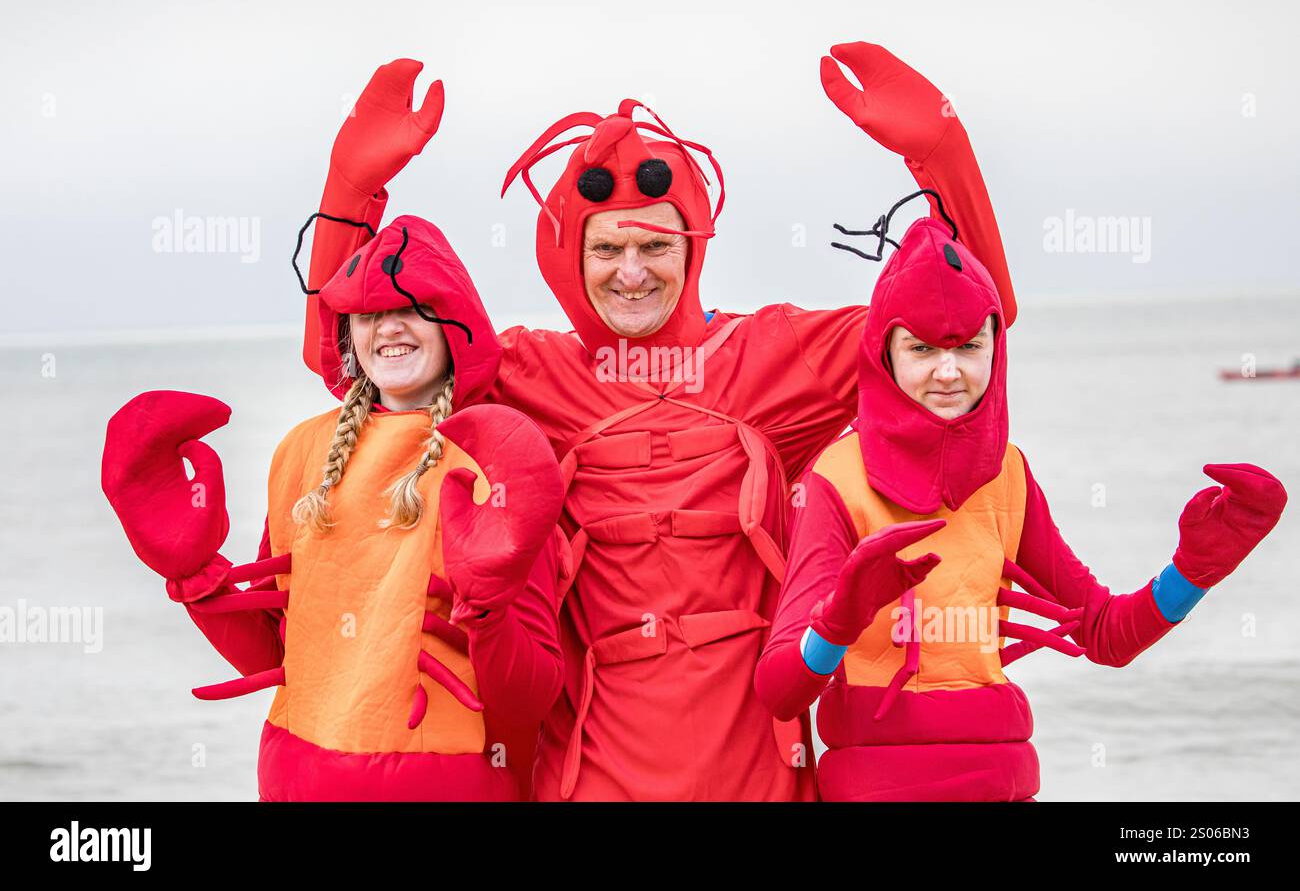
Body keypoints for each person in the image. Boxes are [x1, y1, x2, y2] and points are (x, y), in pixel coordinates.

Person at [295, 43, 1017, 800]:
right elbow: (351, 363)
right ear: (569, 256)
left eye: (654, 245)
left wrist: (943, 157)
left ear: (693, 245)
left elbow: (968, 326)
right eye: (606, 247)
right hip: (588, 772)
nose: (631, 272)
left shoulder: (778, 353)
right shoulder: (526, 373)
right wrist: (351, 192)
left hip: (760, 774)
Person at [752, 205, 1288, 801]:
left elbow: (1106, 634)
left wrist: (1195, 571)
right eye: (922, 349)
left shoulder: (1006, 472)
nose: (949, 371)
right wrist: (837, 621)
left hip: (1006, 786)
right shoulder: (837, 480)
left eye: (968, 345)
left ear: (994, 347)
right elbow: (779, 690)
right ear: (885, 353)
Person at [102, 216, 566, 800]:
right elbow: (276, 653)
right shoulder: (304, 450)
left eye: (415, 309)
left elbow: (528, 699)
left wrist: (490, 611)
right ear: (348, 332)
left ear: (454, 323)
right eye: (369, 315)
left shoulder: (494, 456)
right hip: (297, 778)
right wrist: (196, 578)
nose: (390, 329)